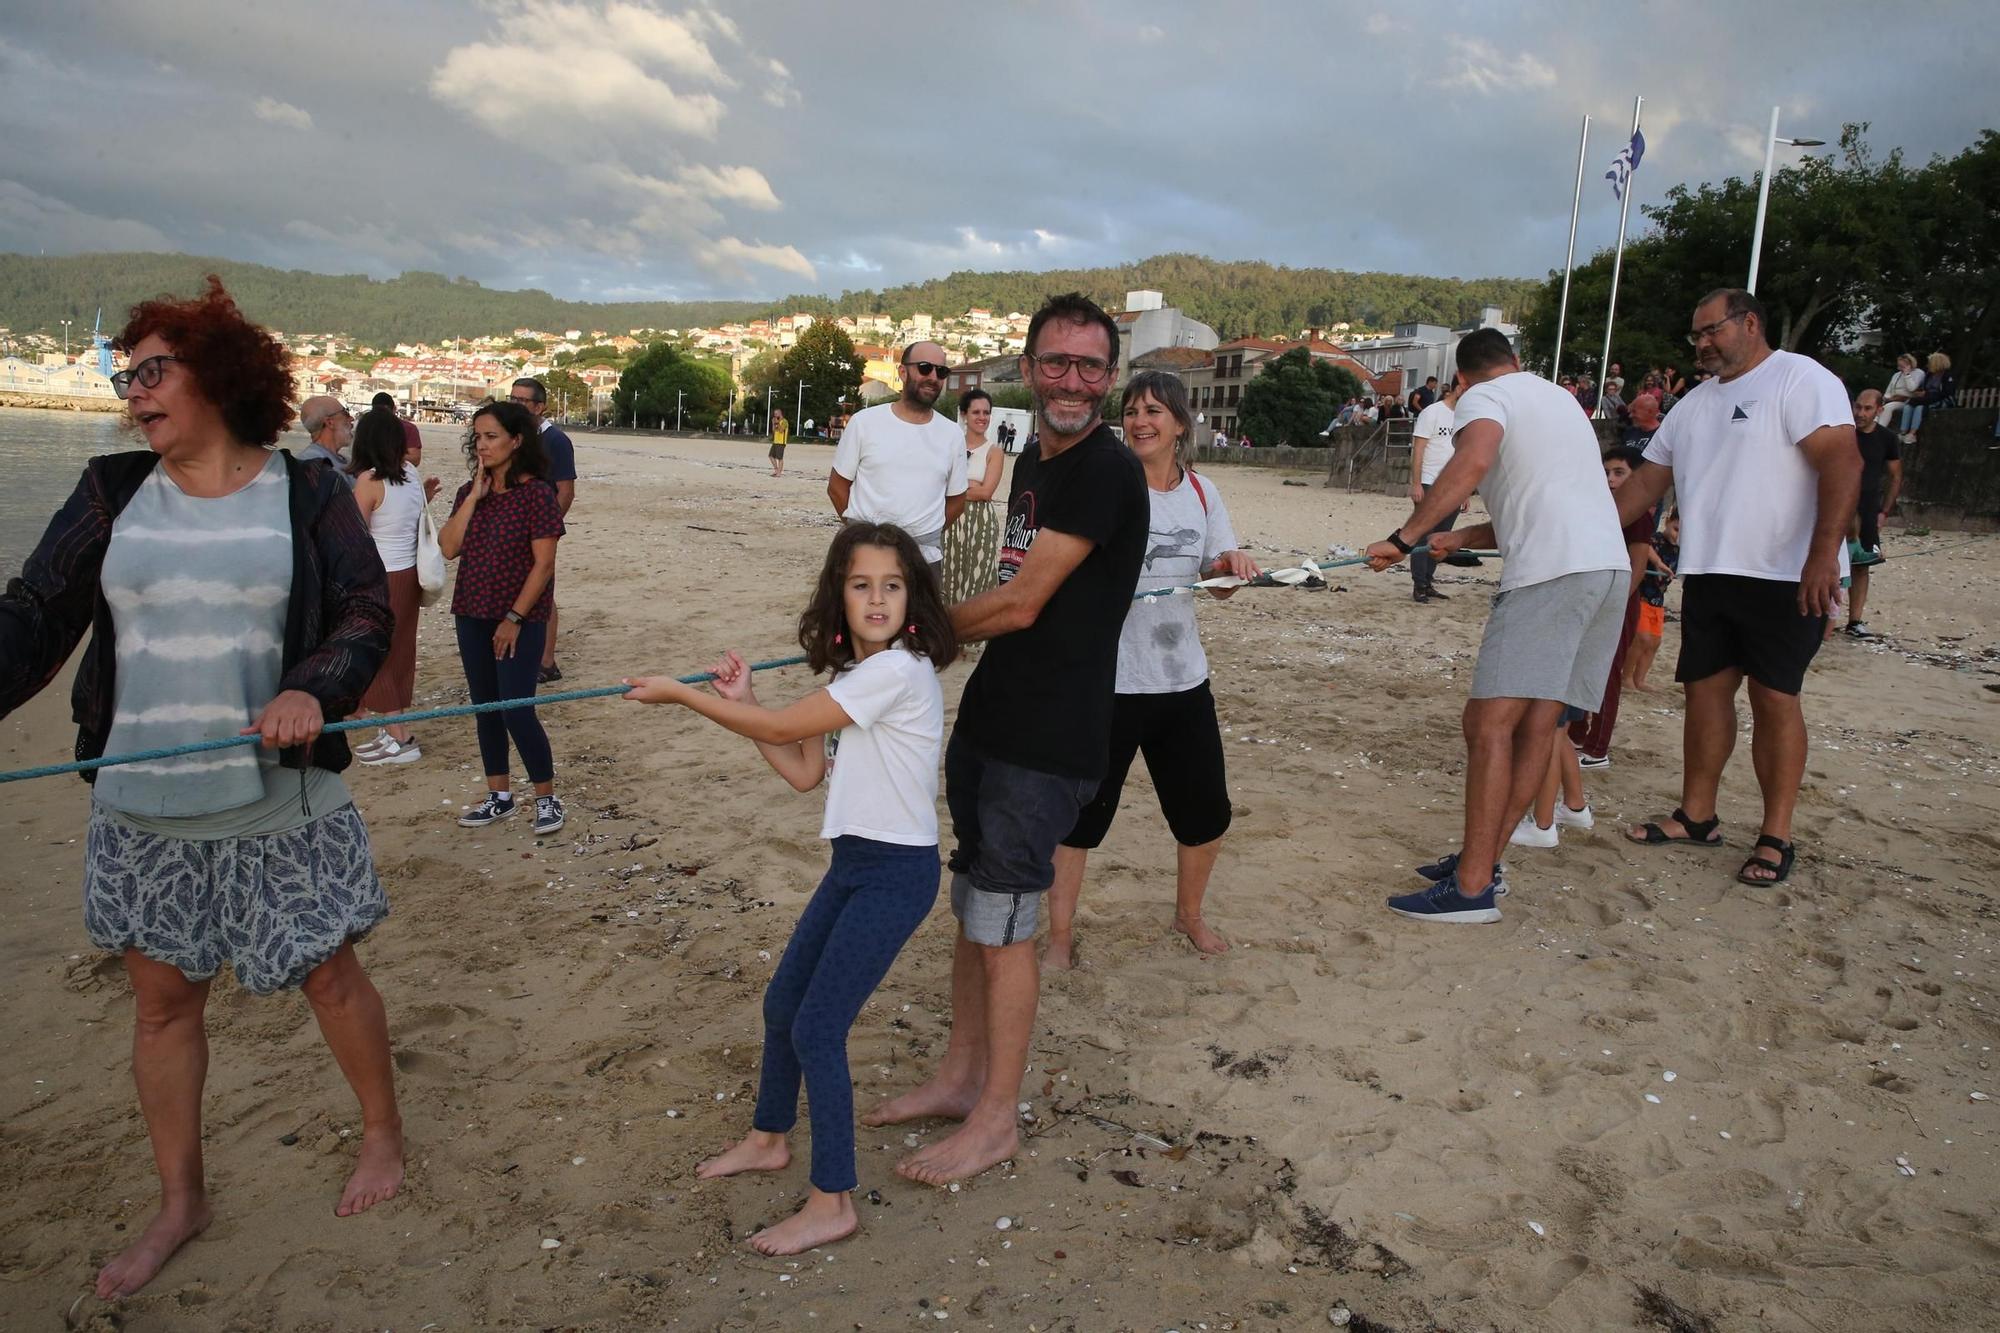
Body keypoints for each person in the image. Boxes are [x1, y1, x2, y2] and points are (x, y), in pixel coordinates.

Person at [0, 277, 401, 1299]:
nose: (133, 393)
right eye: (125, 375)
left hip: (278, 799)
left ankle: (381, 1134)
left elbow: (363, 613)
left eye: (151, 370)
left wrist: (314, 690)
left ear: (220, 374)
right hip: (142, 807)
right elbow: (33, 617)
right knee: (163, 1009)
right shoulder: (110, 490)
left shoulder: (306, 489)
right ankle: (182, 1200)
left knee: (330, 977)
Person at [863, 293, 1147, 1183]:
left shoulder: (1106, 468)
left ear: (1110, 376)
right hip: (996, 714)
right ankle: (958, 1077)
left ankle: (995, 1119)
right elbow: (1013, 580)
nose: (1072, 380)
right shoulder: (1031, 458)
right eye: (1056, 362)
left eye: (1090, 366)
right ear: (1027, 368)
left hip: (1049, 736)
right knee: (973, 911)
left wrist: (911, 628)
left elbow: (1024, 602)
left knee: (1009, 924)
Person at [620, 523, 956, 1256]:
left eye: (892, 585)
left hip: (896, 874)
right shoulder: (851, 678)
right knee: (784, 1004)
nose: (876, 598)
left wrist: (686, 696)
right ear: (839, 592)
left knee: (818, 1026)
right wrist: (745, 697)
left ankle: (832, 1198)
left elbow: (778, 726)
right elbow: (802, 767)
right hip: (854, 864)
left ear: (912, 599)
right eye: (861, 583)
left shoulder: (895, 673)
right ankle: (770, 1136)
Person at [1364, 328, 1630, 923]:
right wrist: (1461, 536)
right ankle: (1483, 862)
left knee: (1487, 722)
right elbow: (1551, 503)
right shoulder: (1561, 400)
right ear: (1517, 361)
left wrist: (1403, 539)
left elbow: (1473, 461)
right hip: (1606, 572)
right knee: (1539, 725)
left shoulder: (1484, 397)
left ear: (1461, 379)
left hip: (1552, 576)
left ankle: (1472, 887)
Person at [1615, 288, 1859, 886]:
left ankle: (1776, 835)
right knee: (1704, 695)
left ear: (1750, 323)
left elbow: (1843, 463)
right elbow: (1644, 486)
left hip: (1786, 574)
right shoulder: (1693, 405)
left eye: (1712, 331)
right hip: (1710, 571)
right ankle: (1697, 816)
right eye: (1695, 335)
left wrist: (1824, 556)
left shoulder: (1798, 379)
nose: (1701, 344)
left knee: (1775, 698)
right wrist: (1570, 529)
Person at [1044, 370, 1259, 969]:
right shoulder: (1106, 485)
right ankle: (1060, 936)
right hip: (1107, 683)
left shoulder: (1202, 493)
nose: (1140, 421)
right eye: (1133, 411)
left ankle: (1188, 914)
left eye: (1154, 412)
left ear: (1180, 425)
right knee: (1080, 821)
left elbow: (1216, 587)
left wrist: (1230, 566)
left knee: (1206, 815)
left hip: (1181, 680)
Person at [439, 400, 567, 836]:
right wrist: (474, 497)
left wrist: (514, 617)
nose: (482, 445)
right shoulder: (467, 493)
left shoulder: (537, 494)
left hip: (520, 618)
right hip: (471, 612)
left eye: (492, 436)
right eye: (477, 436)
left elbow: (543, 565)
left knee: (516, 708)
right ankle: (500, 796)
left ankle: (546, 798)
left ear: (517, 440)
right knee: (486, 709)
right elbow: (448, 547)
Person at [828, 343, 969, 581]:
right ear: (902, 372)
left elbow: (957, 501)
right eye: (925, 368)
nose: (933, 377)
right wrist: (865, 535)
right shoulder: (864, 423)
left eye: (941, 372)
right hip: (865, 557)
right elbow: (836, 488)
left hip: (924, 561)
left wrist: (921, 535)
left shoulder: (952, 434)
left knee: (922, 620)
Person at [1565, 445, 1657, 770]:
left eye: (1619, 472)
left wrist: (1614, 603)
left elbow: (1638, 566)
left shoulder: (1638, 516)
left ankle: (1597, 747)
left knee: (1607, 673)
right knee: (1578, 667)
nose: (1611, 479)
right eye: (1606, 472)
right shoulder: (1596, 509)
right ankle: (1576, 733)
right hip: (1588, 597)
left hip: (1617, 602)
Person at [347, 409, 428, 763]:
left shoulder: (369, 480)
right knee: (399, 654)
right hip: (408, 574)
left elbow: (355, 536)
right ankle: (391, 732)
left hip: (380, 577)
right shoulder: (409, 474)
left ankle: (402, 737)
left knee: (375, 655)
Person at [507, 379, 577, 683]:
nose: (516, 405)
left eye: (523, 401)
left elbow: (566, 491)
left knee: (544, 593)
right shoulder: (516, 438)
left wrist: (547, 529)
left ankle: (547, 661)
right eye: (512, 399)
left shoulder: (555, 441)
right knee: (521, 590)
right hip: (516, 528)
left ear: (539, 407)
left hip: (540, 531)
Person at [1844, 388, 1903, 640]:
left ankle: (1855, 620)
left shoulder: (1887, 439)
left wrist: (1885, 511)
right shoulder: (1843, 432)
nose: (1861, 413)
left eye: (1867, 408)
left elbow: (1895, 476)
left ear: (1879, 410)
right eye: (1858, 407)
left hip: (1868, 509)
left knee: (1861, 565)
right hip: (1838, 507)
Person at [941, 389, 1005, 606]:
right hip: (949, 518)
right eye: (976, 412)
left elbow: (986, 492)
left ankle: (974, 639)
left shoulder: (994, 451)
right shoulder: (950, 446)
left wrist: (955, 490)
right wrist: (971, 487)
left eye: (986, 413)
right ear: (963, 415)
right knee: (947, 576)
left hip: (980, 522)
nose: (982, 417)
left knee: (977, 580)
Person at [1406, 376, 1464, 603]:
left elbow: (1463, 455)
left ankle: (1428, 581)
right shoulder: (1432, 412)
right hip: (1430, 481)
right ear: (1460, 388)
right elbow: (1418, 449)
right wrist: (1417, 483)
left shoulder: (1465, 418)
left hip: (1454, 486)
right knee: (1421, 535)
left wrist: (1465, 490)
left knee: (1441, 537)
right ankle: (1419, 583)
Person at [1626, 510, 1680, 692]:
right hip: (1642, 595)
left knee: (1654, 642)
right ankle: (1625, 678)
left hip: (1657, 600)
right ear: (1667, 521)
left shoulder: (1681, 548)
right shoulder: (1655, 540)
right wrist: (1658, 563)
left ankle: (1639, 679)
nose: (1677, 536)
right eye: (1676, 529)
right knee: (1640, 638)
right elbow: (1644, 546)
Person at [1901, 352, 1956, 443]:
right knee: (1908, 406)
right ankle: (1903, 432)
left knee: (1919, 407)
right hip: (1928, 398)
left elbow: (1946, 393)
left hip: (1942, 399)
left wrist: (1927, 396)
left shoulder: (1947, 376)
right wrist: (1922, 393)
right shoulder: (1929, 375)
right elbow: (1925, 389)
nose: (1928, 365)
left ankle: (1912, 433)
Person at [297, 395, 355, 481]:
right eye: (345, 413)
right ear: (329, 422)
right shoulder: (313, 465)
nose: (352, 418)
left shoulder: (345, 461)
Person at [1881, 353, 1925, 438]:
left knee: (1889, 407)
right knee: (1880, 408)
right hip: (1893, 398)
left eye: (1902, 366)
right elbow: (1889, 391)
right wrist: (1886, 398)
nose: (1899, 368)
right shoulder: (1896, 375)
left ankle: (1881, 428)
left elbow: (1912, 388)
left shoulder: (1919, 373)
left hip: (1907, 401)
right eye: (1899, 366)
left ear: (1909, 365)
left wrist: (1907, 374)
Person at [769, 407, 789, 477]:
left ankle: (779, 473)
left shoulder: (784, 421)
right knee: (771, 456)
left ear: (780, 413)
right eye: (774, 414)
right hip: (775, 441)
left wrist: (777, 423)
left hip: (781, 442)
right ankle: (776, 469)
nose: (775, 415)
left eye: (776, 414)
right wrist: (773, 424)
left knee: (780, 458)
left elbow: (781, 430)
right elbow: (774, 431)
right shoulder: (776, 421)